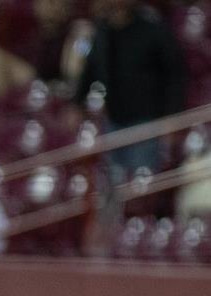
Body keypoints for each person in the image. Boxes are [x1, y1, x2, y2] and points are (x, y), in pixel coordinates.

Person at [70, 0, 187, 178]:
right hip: (114, 120)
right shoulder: (102, 32)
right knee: (114, 182)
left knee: (141, 180)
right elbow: (91, 69)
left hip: (145, 122)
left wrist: (171, 117)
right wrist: (77, 103)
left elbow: (175, 75)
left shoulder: (152, 29)